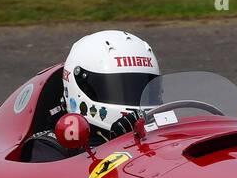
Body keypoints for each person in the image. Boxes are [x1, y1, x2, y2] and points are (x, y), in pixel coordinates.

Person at [22, 30, 160, 162]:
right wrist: (116, 147)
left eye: (142, 88)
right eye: (120, 89)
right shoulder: (48, 148)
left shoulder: (158, 137)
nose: (134, 97)